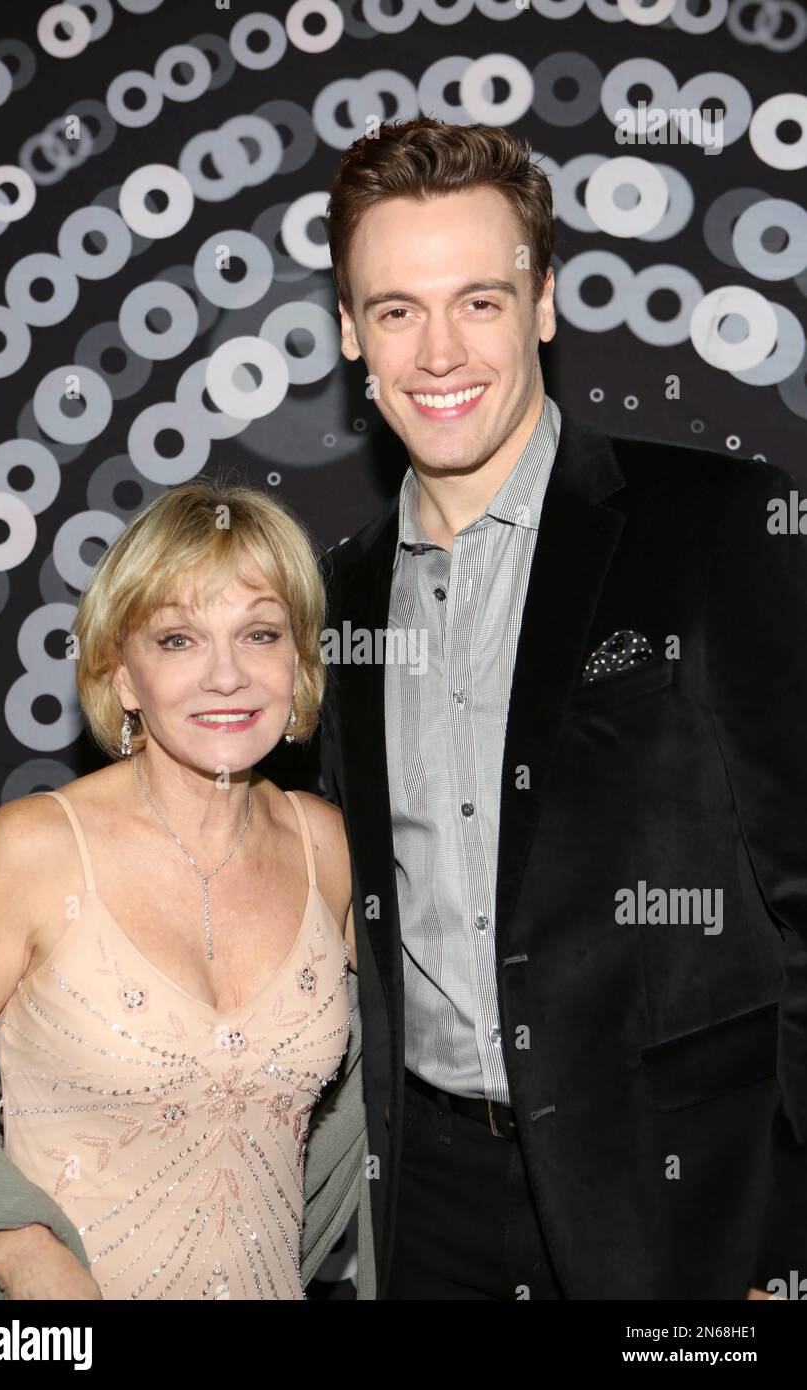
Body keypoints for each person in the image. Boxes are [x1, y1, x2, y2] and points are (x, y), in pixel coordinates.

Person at [315, 115, 807, 1300]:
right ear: (348, 332)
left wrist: (785, 1236)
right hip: (427, 1208)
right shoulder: (329, 603)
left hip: (686, 1209)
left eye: (478, 301)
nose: (438, 352)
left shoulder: (719, 527)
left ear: (542, 303)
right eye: (395, 310)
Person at [0, 480, 362, 1300]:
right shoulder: (35, 850)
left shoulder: (328, 848)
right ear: (122, 676)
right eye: (178, 639)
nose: (226, 676)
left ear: (299, 662)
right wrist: (24, 1250)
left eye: (261, 632)